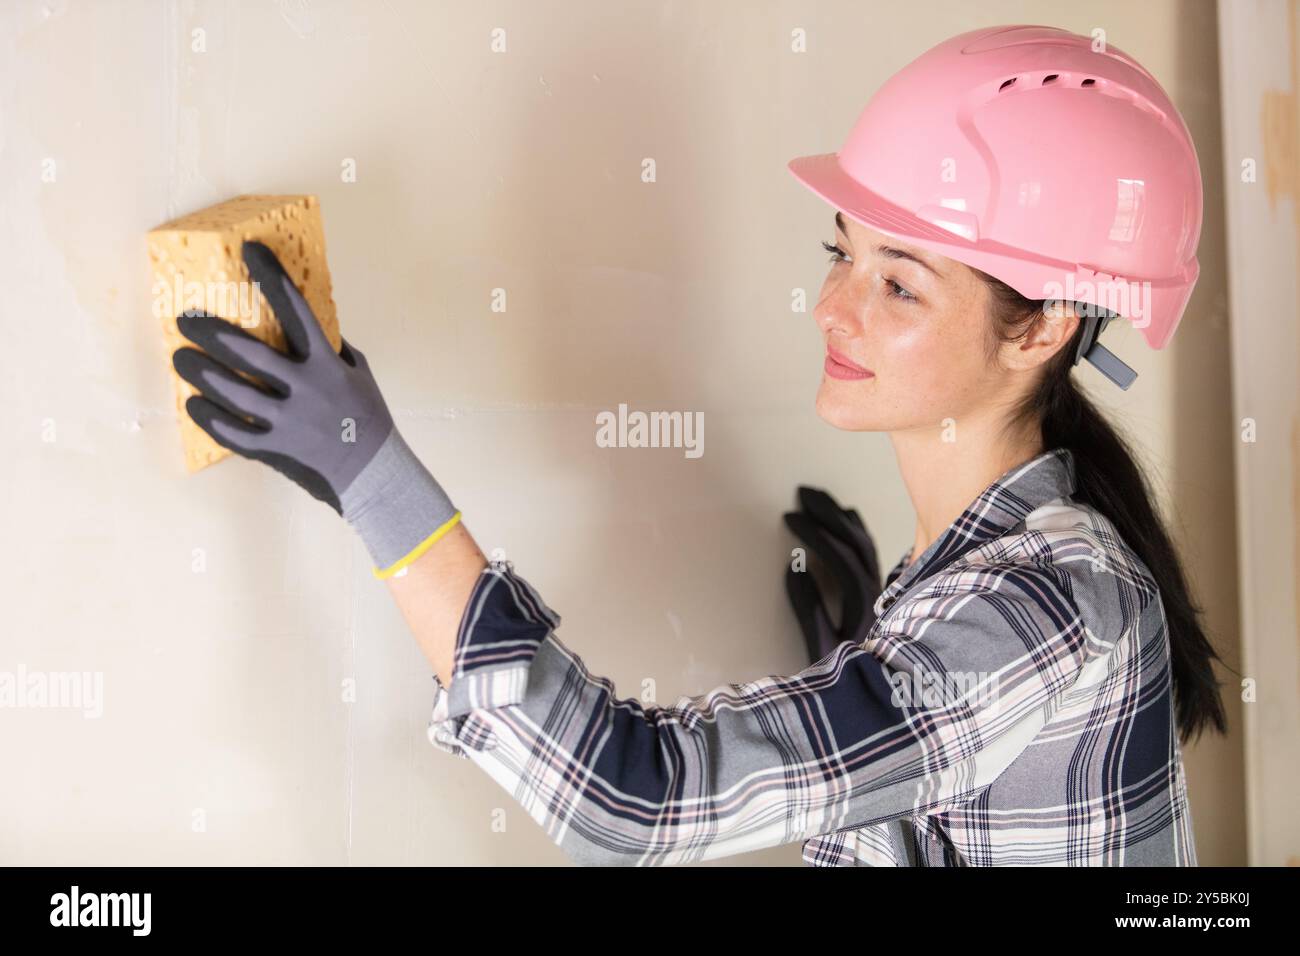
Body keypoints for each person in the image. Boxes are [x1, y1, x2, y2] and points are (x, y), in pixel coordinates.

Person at [171, 24, 1227, 866]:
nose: (831, 309)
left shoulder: (1049, 601)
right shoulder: (1006, 567)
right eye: (840, 253)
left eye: (898, 283)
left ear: (1042, 328)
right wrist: (862, 650)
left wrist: (376, 480)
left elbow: (631, 802)